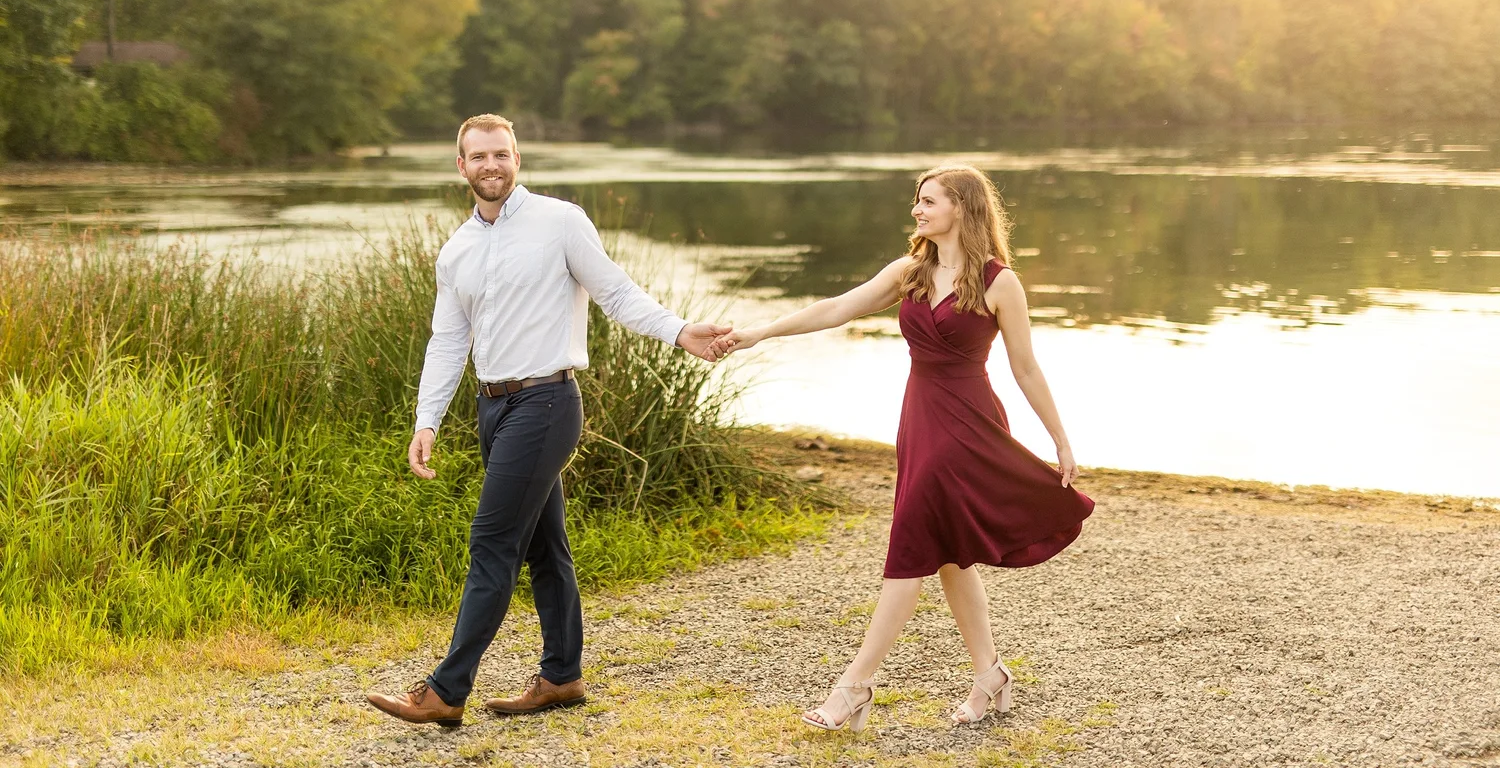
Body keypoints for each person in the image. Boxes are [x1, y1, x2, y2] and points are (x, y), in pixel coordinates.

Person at [367, 114, 732, 729]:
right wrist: (426, 418)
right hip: (492, 408)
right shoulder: (455, 250)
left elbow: (616, 293)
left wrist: (678, 332)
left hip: (547, 402)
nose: (492, 165)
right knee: (544, 545)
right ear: (461, 166)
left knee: (491, 542)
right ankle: (562, 676)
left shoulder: (560, 222)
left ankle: (446, 691)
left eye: (502, 154)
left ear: (517, 159)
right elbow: (447, 341)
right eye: (479, 156)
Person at [719, 163, 1094, 731]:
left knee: (910, 549)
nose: (918, 210)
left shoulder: (999, 282)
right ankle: (990, 674)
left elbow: (1025, 367)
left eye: (929, 201)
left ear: (963, 208)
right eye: (917, 201)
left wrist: (1061, 439)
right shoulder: (909, 273)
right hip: (919, 422)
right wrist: (760, 332)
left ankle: (854, 687)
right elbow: (836, 308)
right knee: (946, 555)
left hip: (968, 428)